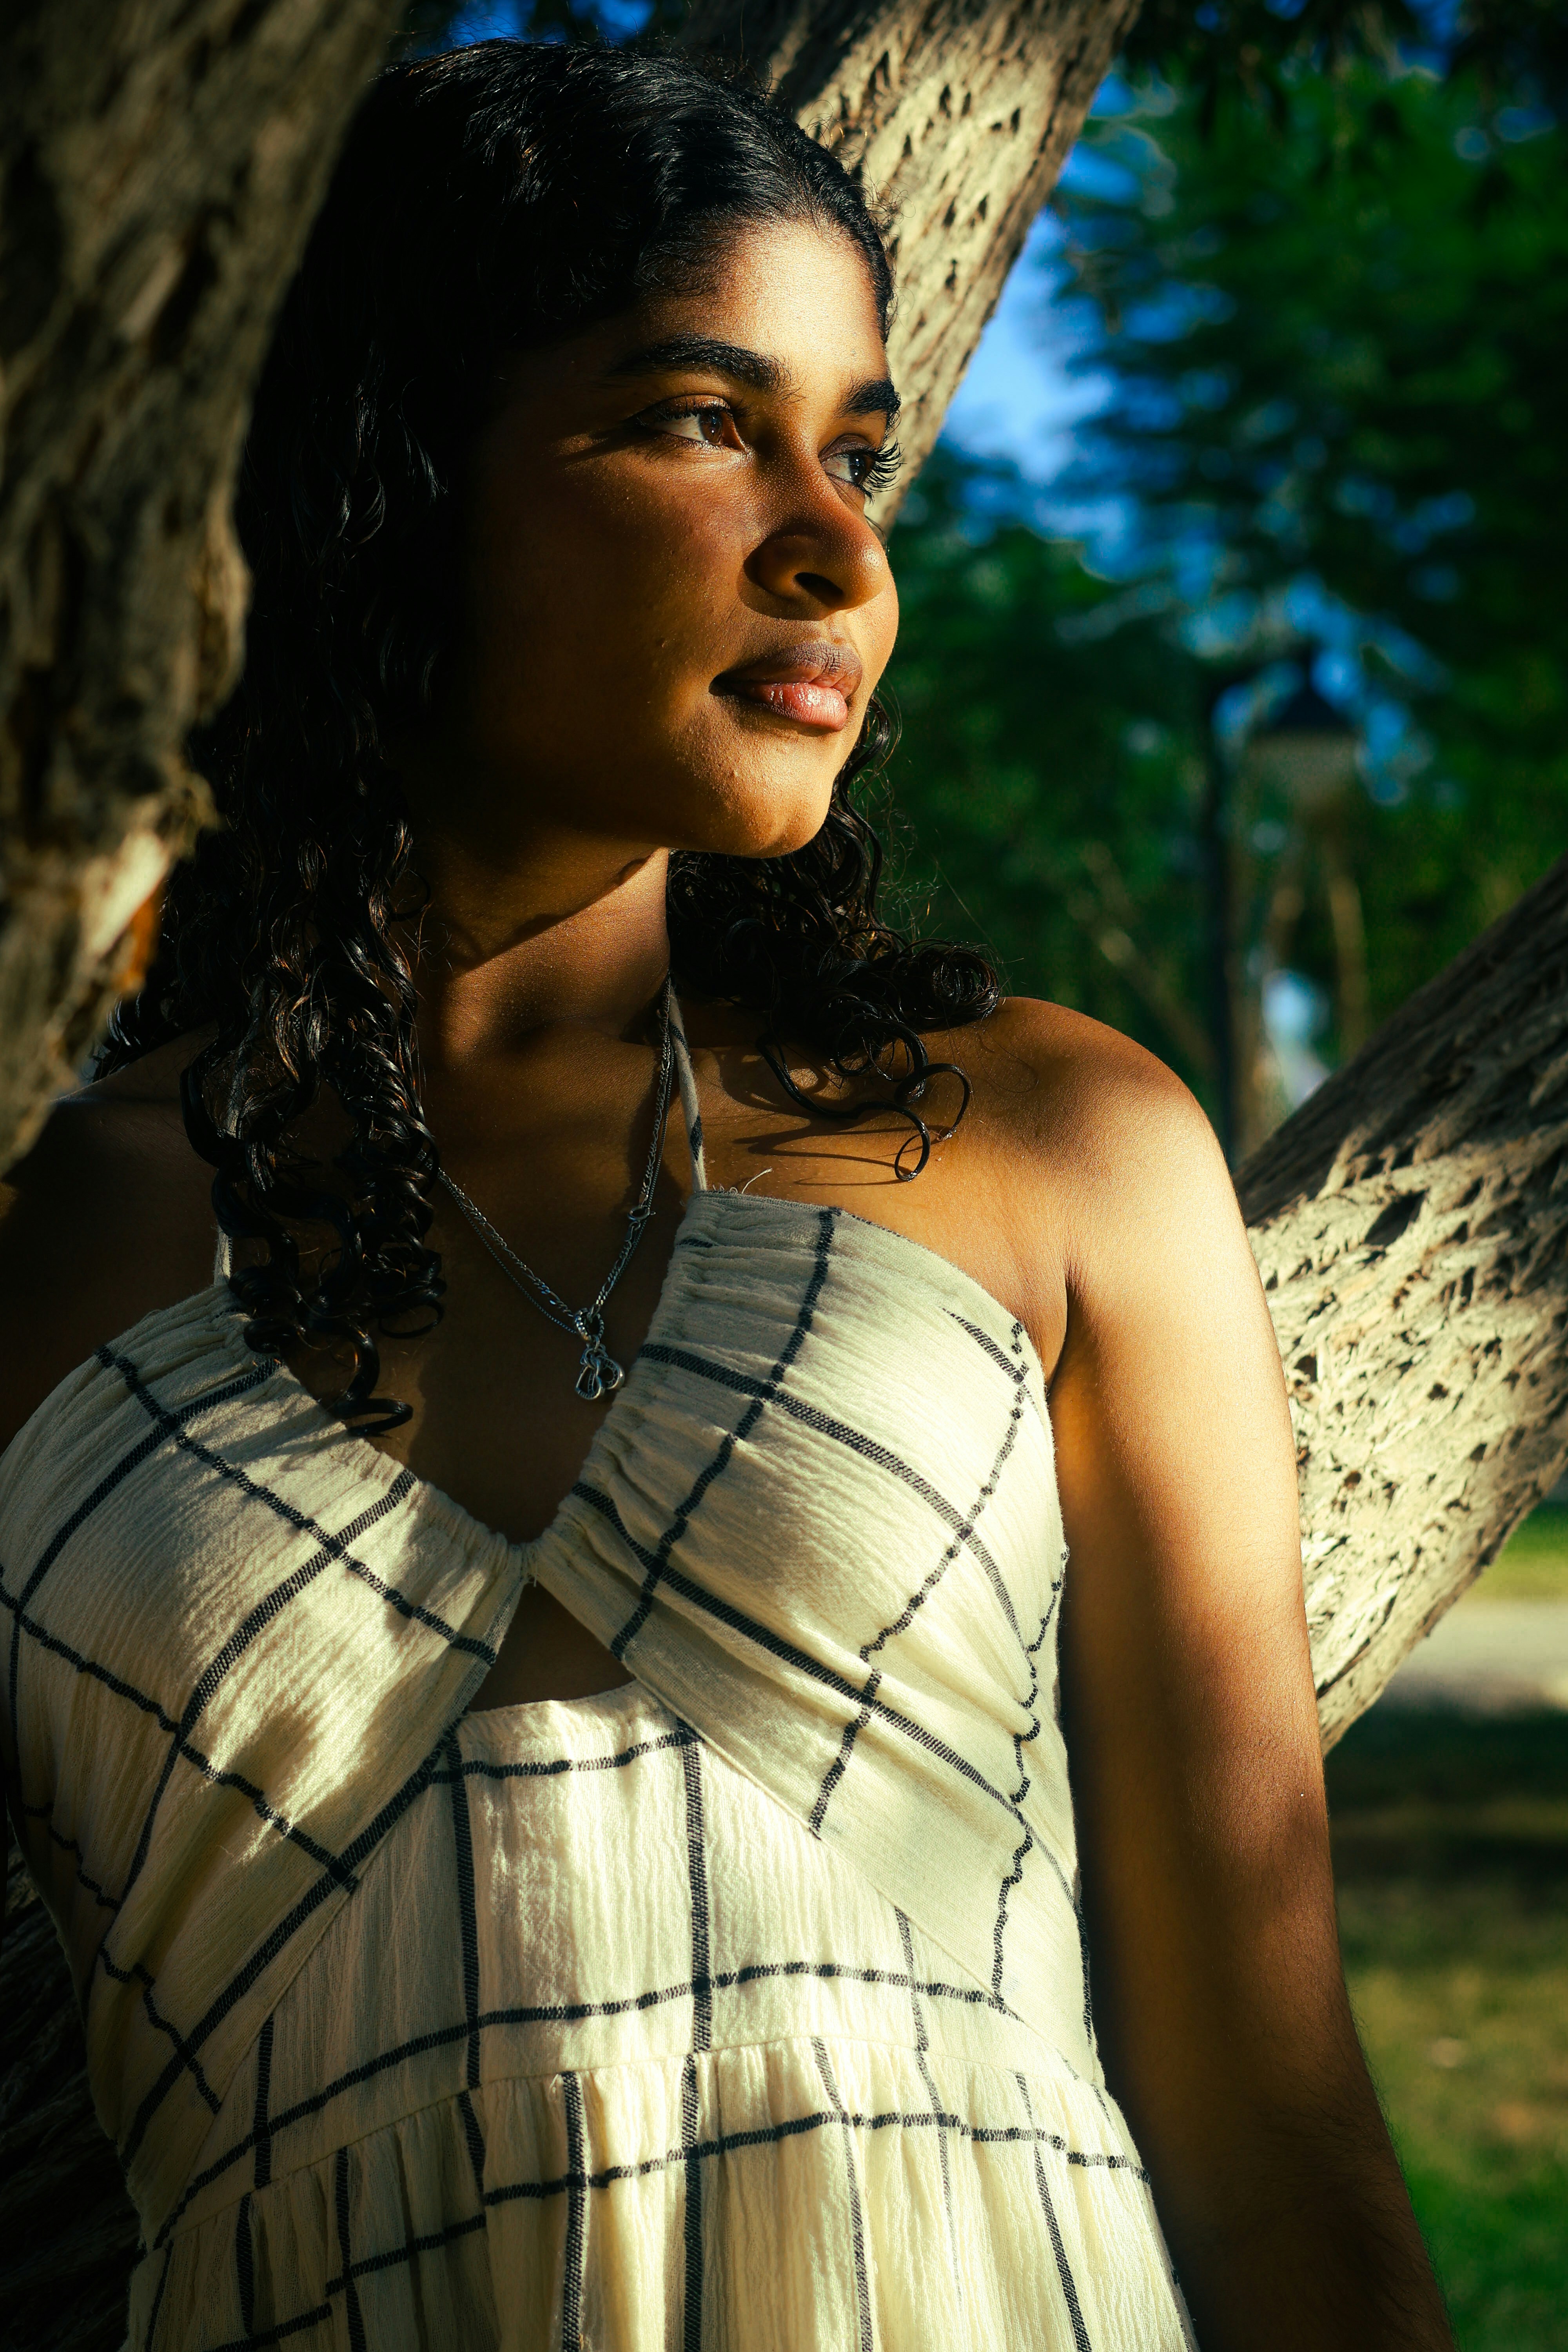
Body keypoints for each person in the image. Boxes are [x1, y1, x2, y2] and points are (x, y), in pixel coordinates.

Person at [0, 39, 1453, 2352]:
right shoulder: (52, 1226)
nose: (840, 547)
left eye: (856, 453)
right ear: (389, 476)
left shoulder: (1049, 1148)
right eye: (701, 419)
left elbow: (1272, 2133)